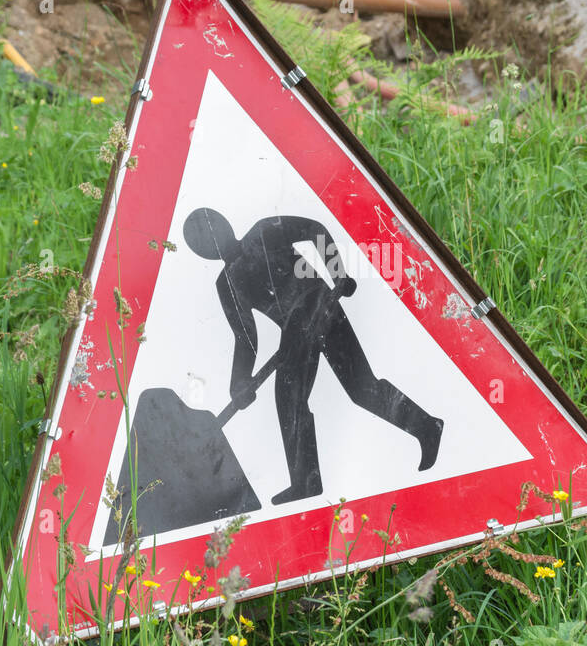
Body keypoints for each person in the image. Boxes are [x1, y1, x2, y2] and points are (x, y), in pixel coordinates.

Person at [183, 207, 444, 504]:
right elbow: (245, 337)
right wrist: (239, 382)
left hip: (320, 304)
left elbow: (314, 230)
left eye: (211, 229)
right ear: (201, 252)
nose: (212, 240)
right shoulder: (227, 283)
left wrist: (337, 273)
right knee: (349, 389)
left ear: (225, 223)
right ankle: (425, 426)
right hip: (294, 331)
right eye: (201, 241)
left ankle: (308, 479)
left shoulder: (262, 231)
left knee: (325, 392)